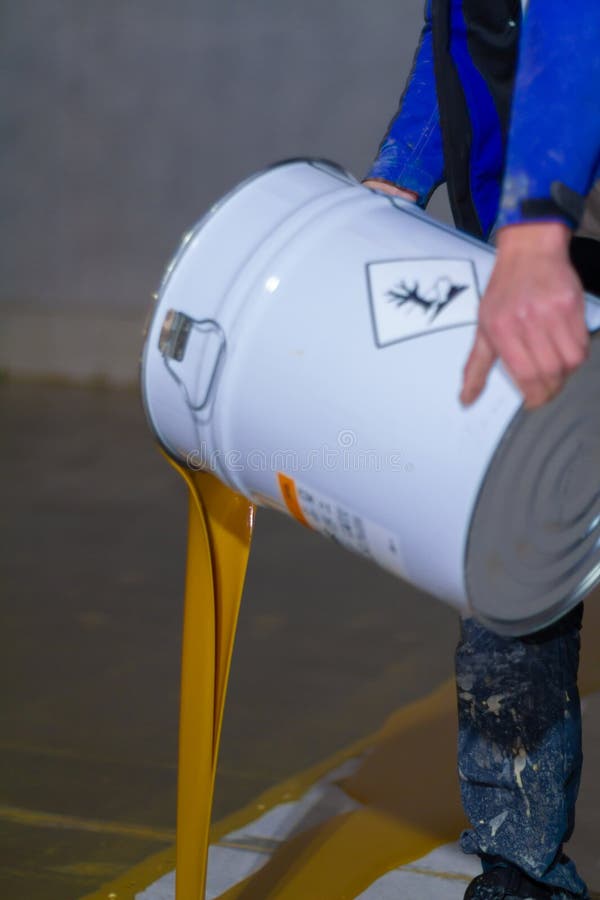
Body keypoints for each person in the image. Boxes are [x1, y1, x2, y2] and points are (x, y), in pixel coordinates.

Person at [364, 1, 600, 898]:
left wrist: (536, 222)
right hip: (539, 232)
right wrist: (397, 177)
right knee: (513, 527)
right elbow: (467, 22)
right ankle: (522, 863)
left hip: (549, 224)